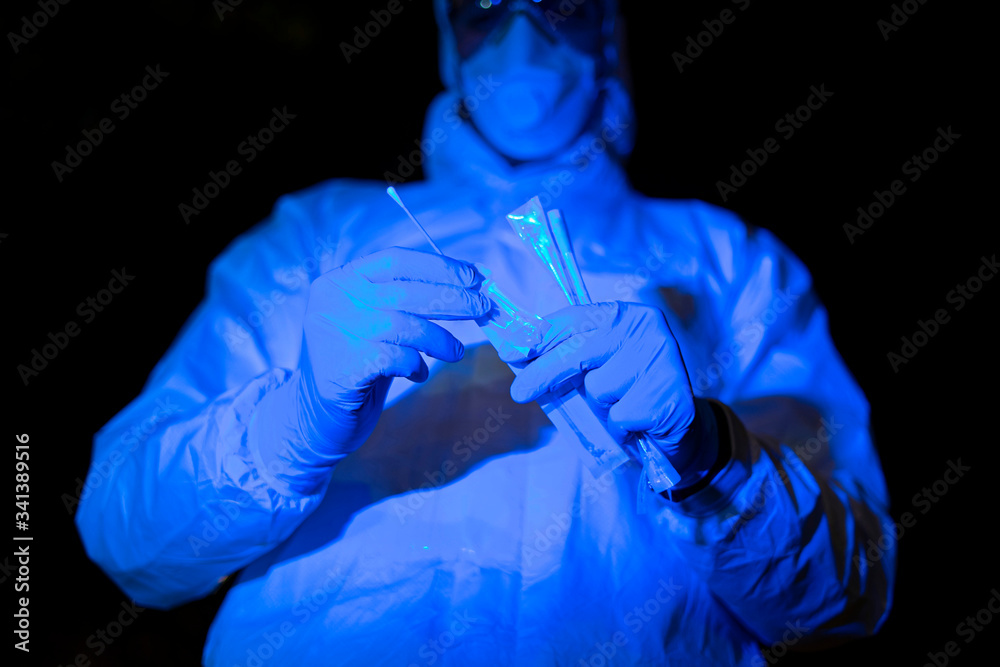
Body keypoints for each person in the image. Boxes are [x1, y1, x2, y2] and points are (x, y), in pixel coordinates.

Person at [76, 1, 895, 664]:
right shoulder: (316, 235)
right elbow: (126, 536)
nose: (520, 32)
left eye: (558, 3)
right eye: (484, 6)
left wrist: (712, 454)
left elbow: (849, 597)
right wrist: (291, 423)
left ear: (609, 30)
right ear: (447, 36)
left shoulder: (731, 262)